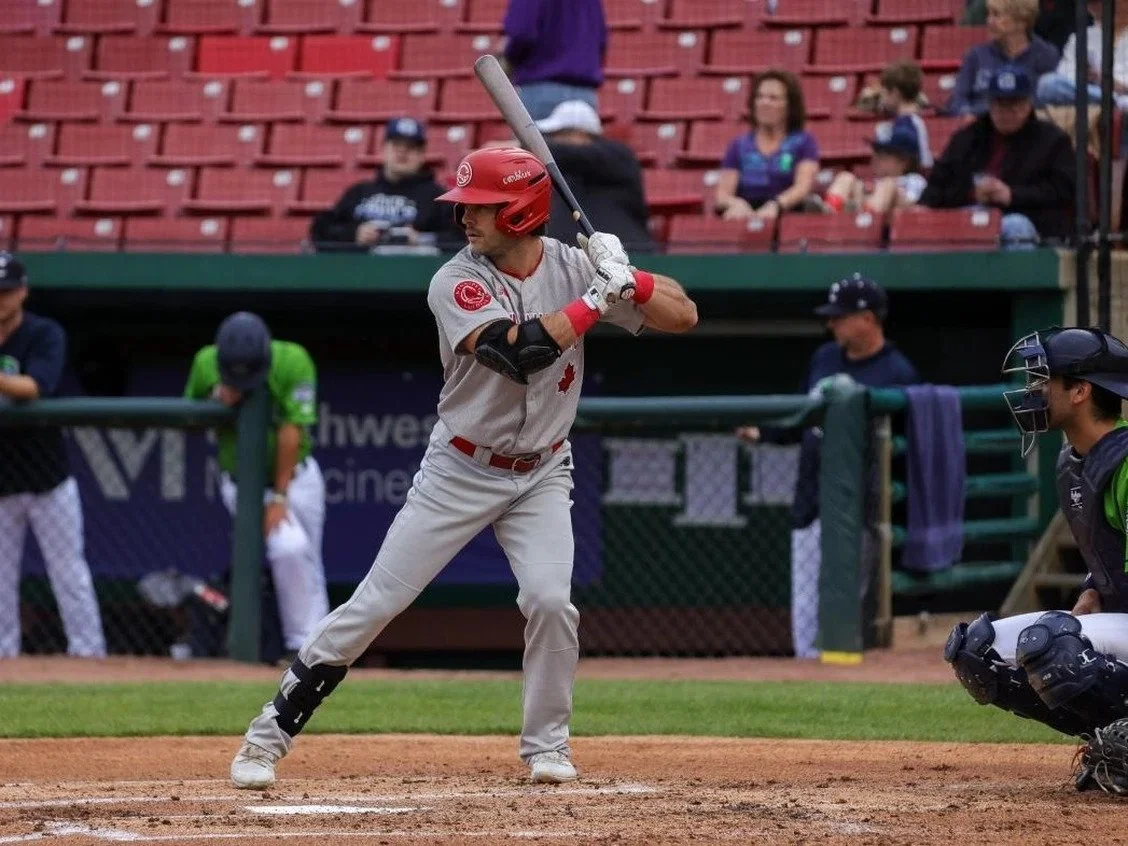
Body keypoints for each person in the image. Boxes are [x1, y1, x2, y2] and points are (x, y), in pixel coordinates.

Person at [229, 146, 698, 789]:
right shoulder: (454, 279)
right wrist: (596, 299)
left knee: (550, 601)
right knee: (377, 603)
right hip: (461, 468)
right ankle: (265, 738)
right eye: (466, 206)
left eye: (480, 208)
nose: (465, 218)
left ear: (522, 211)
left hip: (541, 470)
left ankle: (547, 749)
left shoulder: (573, 266)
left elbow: (684, 316)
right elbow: (520, 353)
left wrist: (631, 278)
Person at [944, 326, 1128, 793]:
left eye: (1043, 379)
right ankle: (1114, 746)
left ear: (1081, 390)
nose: (1033, 391)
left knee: (1053, 647)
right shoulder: (1077, 459)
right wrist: (1094, 586)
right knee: (976, 651)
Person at [737, 276, 919, 660]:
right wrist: (763, 432)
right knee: (804, 604)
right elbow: (804, 415)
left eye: (840, 316)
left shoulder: (897, 371)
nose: (831, 324)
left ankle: (841, 675)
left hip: (861, 506)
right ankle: (807, 677)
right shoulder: (825, 358)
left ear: (868, 319)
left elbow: (905, 450)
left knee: (848, 602)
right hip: (811, 497)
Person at [184, 312, 329, 665]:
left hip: (297, 477)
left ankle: (321, 651)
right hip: (242, 481)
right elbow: (187, 419)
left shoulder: (292, 360)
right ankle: (305, 648)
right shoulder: (206, 362)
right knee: (290, 549)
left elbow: (292, 430)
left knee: (308, 561)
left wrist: (279, 497)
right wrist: (215, 400)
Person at [0, 252, 105, 659]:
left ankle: (88, 654)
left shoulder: (43, 333)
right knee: (1, 579)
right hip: (2, 481)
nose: (2, 299)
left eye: (8, 291)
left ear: (22, 291)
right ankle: (4, 657)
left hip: (48, 479)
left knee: (68, 572)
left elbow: (37, 385)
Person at [919, 64, 1075, 247]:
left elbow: (1064, 191)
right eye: (1000, 104)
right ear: (989, 104)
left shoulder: (1052, 140)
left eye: (1014, 105)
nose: (1006, 112)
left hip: (1031, 223)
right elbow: (933, 192)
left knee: (1015, 226)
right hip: (970, 217)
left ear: (1028, 104)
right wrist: (971, 193)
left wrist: (1012, 195)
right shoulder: (967, 139)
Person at [309, 117, 460, 253]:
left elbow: (459, 240)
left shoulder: (437, 197)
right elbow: (320, 229)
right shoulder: (359, 192)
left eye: (411, 147)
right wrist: (355, 233)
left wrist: (420, 239)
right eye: (396, 145)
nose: (402, 152)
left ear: (422, 154)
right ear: (384, 149)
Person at [532, 100, 654, 253]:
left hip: (626, 254)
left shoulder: (618, 156)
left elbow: (571, 155)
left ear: (579, 134)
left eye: (555, 135)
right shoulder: (566, 169)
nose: (551, 141)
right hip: (578, 256)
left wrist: (523, 147)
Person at [714, 69, 820, 223]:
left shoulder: (804, 142)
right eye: (760, 97)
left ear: (789, 106)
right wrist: (736, 203)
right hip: (746, 215)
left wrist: (776, 206)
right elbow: (722, 195)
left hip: (787, 214)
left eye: (773, 98)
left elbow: (802, 188)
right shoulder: (738, 145)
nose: (765, 103)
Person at [947, 0, 1059, 116]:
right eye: (988, 14)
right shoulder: (976, 56)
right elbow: (957, 102)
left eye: (996, 15)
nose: (989, 21)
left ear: (1021, 22)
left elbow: (1044, 105)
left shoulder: (1046, 55)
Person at [503, 0, 607, 121]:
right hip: (585, 96)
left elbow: (522, 33)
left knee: (534, 140)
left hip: (541, 90)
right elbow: (601, 41)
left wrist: (509, 57)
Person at [822, 117, 928, 215]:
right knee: (845, 177)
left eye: (882, 156)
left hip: (890, 225)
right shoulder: (875, 181)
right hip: (863, 212)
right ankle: (827, 213)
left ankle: (869, 219)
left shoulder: (915, 180)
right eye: (875, 153)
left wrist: (891, 194)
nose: (875, 159)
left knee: (888, 186)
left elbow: (913, 207)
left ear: (904, 161)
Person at [1036, 0, 1128, 109]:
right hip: (1094, 96)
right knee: (1047, 84)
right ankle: (1112, 102)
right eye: (1091, 3)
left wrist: (1111, 83)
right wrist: (1087, 76)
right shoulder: (1080, 38)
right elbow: (1065, 77)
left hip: (1124, 97)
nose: (1095, 7)